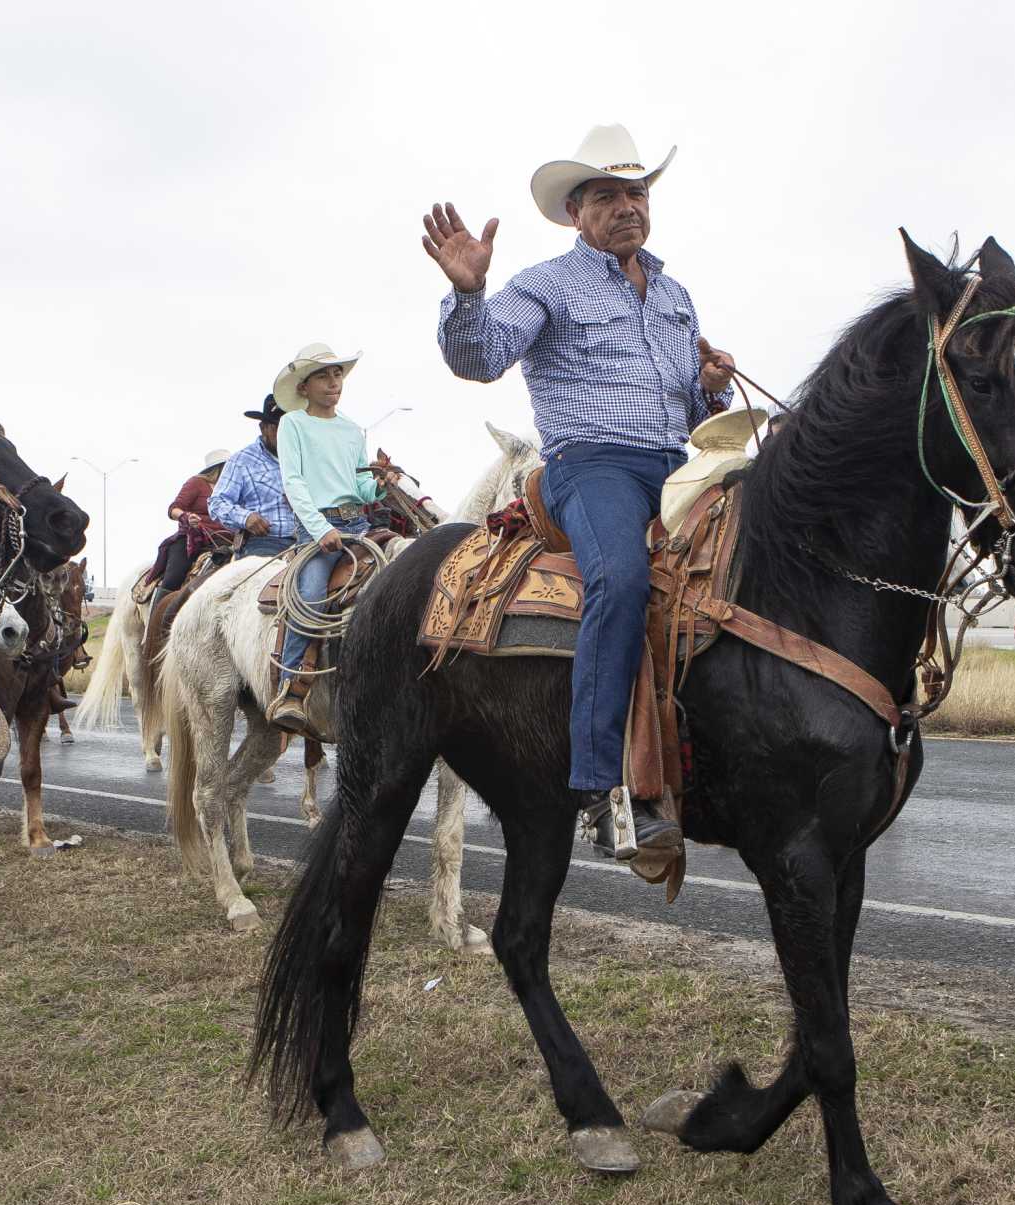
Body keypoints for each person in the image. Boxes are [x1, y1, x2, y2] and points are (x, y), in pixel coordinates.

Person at [424, 123, 735, 856]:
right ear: (575, 212)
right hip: (591, 466)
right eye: (608, 196)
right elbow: (482, 357)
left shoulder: (675, 292)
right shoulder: (545, 284)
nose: (628, 206)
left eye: (637, 192)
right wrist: (469, 296)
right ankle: (599, 784)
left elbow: (690, 409)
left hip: (678, 464)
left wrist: (711, 390)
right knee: (621, 579)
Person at [265, 343, 395, 733]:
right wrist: (320, 531)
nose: (333, 381)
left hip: (358, 526)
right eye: (323, 375)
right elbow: (294, 483)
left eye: (337, 374)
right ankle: (291, 688)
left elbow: (357, 483)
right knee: (311, 593)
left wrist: (379, 487)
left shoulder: (352, 430)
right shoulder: (294, 425)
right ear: (304, 387)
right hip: (316, 526)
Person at [209, 393, 300, 560]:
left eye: (290, 428)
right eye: (277, 427)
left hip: (310, 538)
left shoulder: (306, 458)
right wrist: (246, 517)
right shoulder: (241, 461)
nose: (284, 435)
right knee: (262, 579)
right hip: (266, 542)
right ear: (263, 427)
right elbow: (217, 502)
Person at [150, 454, 231, 602]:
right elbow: (174, 509)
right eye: (228, 466)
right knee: (174, 577)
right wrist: (187, 517)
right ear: (218, 469)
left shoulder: (233, 488)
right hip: (194, 539)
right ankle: (158, 620)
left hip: (226, 541)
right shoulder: (196, 483)